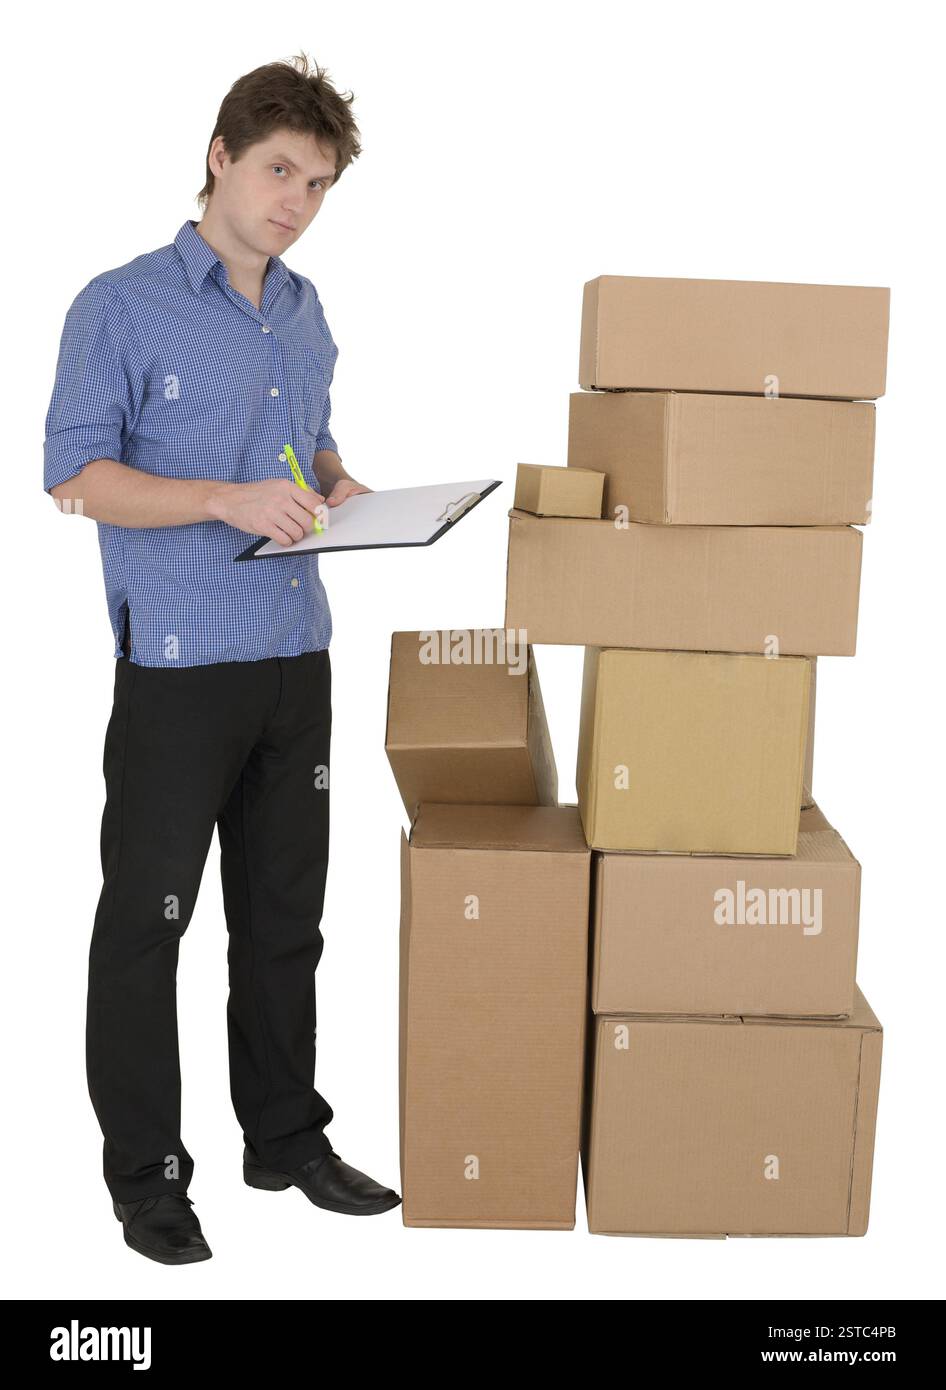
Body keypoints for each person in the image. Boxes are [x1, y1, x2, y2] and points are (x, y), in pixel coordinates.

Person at [42, 52, 401, 1266]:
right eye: (279, 170)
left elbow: (305, 455)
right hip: (182, 667)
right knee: (149, 923)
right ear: (220, 156)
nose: (295, 200)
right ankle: (147, 1174)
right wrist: (223, 499)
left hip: (298, 655)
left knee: (285, 918)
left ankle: (286, 1137)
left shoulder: (304, 312)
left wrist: (347, 491)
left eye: (318, 183)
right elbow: (75, 478)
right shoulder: (121, 304)